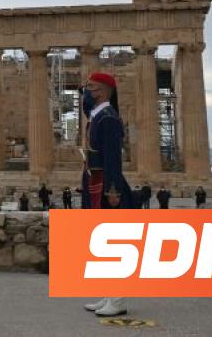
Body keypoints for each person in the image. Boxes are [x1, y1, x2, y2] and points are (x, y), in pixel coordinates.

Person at [80, 72, 135, 318]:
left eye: (88, 88)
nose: (84, 92)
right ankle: (109, 295)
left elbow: (113, 159)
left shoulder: (109, 119)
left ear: (101, 90)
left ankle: (119, 299)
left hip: (106, 186)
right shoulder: (97, 117)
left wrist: (113, 190)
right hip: (95, 182)